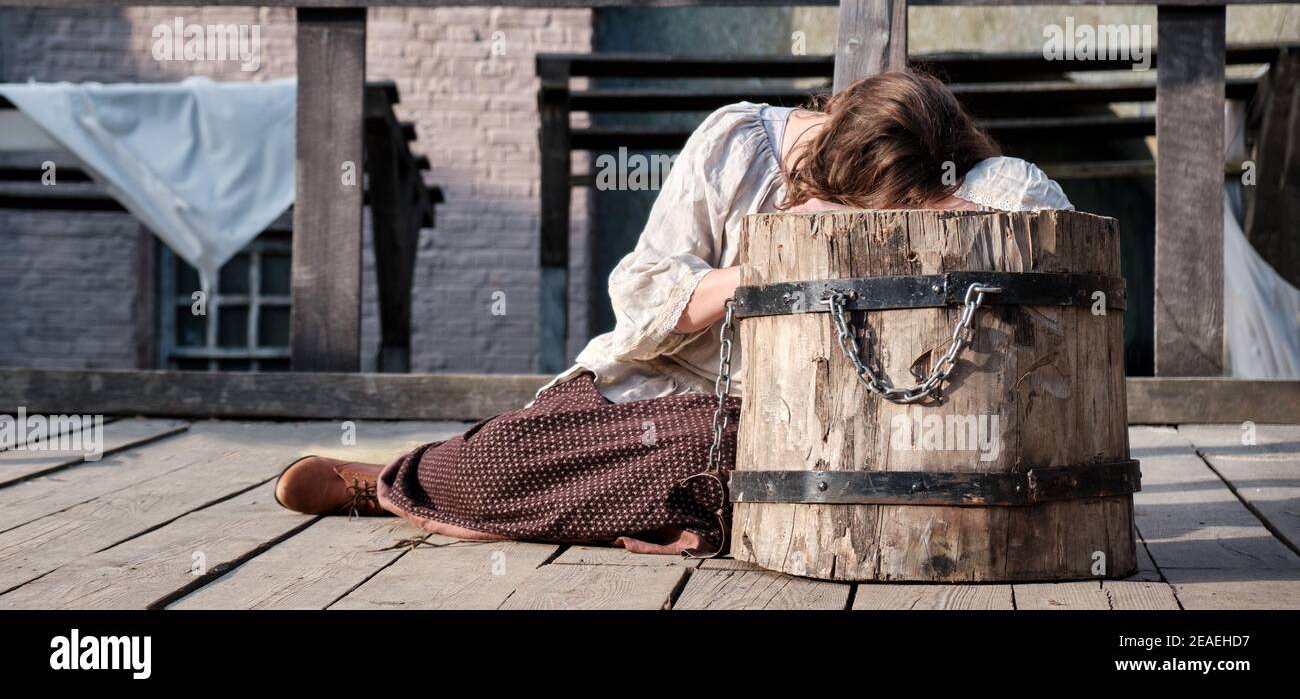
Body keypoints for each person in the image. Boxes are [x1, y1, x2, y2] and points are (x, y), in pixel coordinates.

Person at [274, 70, 1072, 555]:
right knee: (515, 455)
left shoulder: (967, 177)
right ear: (836, 164)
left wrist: (953, 202)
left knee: (752, 462)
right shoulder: (740, 147)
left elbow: (1049, 228)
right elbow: (640, 295)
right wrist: (764, 257)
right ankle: (387, 481)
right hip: (660, 399)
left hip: (829, 431)